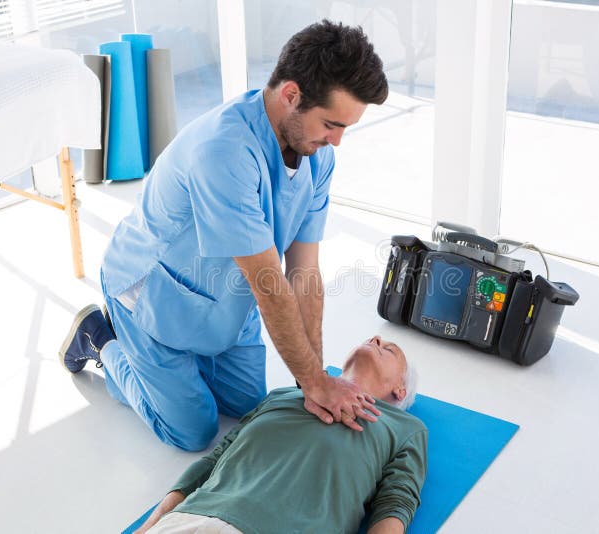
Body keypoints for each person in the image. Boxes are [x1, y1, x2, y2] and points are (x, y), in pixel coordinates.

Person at [58, 20, 389, 451]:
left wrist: (316, 380)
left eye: (346, 127)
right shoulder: (225, 151)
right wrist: (313, 384)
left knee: (249, 407)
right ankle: (102, 340)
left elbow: (304, 273)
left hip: (224, 303)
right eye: (332, 124)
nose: (338, 141)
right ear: (292, 95)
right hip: (152, 298)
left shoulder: (316, 154)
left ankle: (183, 368)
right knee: (194, 432)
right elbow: (270, 285)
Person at [135, 335, 426, 534]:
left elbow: (396, 503)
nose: (376, 339)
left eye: (389, 349)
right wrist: (152, 525)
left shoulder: (402, 426)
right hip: (192, 518)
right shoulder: (283, 395)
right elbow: (213, 461)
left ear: (400, 390)